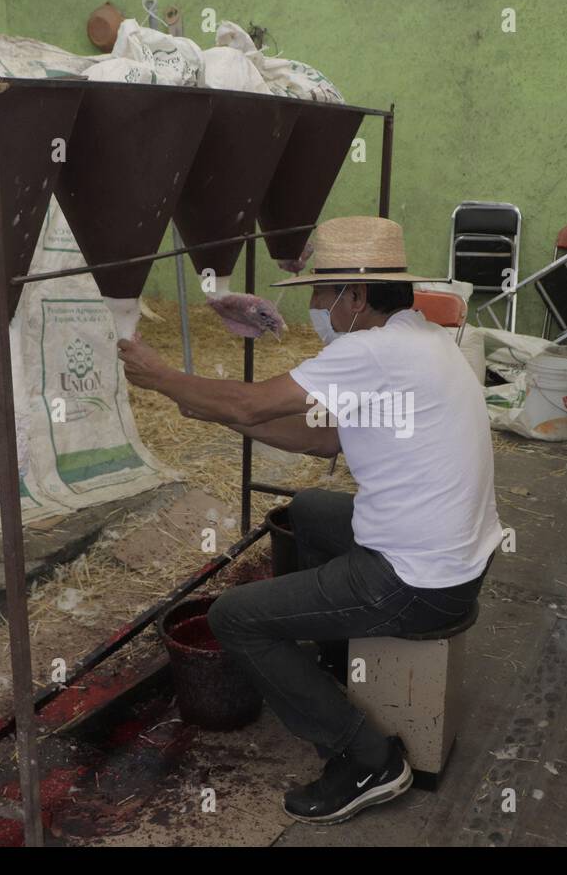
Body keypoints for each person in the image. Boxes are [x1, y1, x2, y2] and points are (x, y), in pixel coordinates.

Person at [117, 216, 501, 824]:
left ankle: (366, 757)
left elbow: (253, 399)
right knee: (312, 509)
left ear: (357, 296)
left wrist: (161, 377)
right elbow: (321, 442)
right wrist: (210, 411)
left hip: (418, 584)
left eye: (323, 294)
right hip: (454, 561)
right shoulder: (422, 339)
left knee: (234, 619)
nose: (317, 308)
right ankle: (327, 660)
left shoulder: (371, 349)